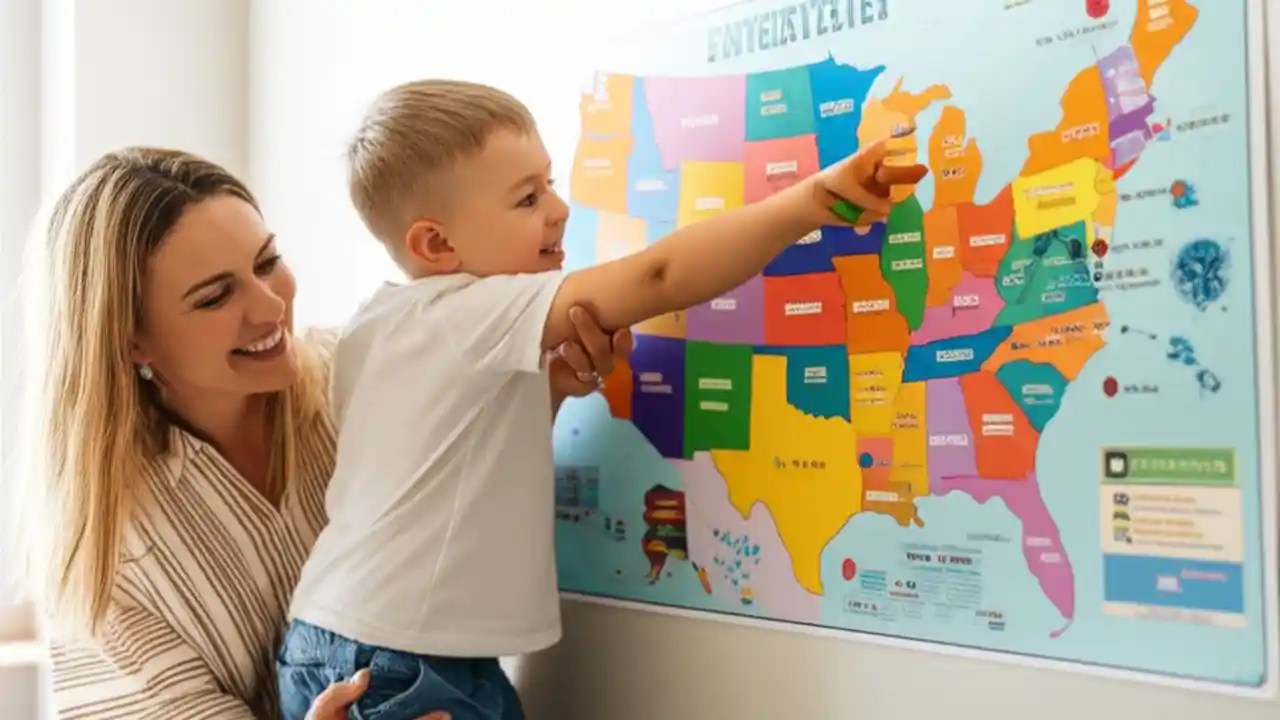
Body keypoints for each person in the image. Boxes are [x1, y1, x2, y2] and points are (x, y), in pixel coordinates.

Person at [277, 79, 928, 720]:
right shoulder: (468, 308)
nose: (559, 209)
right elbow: (658, 276)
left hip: (359, 641)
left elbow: (454, 458)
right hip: (395, 663)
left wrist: (553, 390)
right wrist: (810, 203)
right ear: (437, 245)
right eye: (527, 198)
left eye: (550, 182)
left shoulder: (380, 324)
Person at [23, 146, 631, 720]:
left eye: (267, 262)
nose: (269, 307)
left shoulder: (365, 372)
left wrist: (540, 393)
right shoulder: (108, 563)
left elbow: (461, 504)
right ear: (131, 340)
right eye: (214, 298)